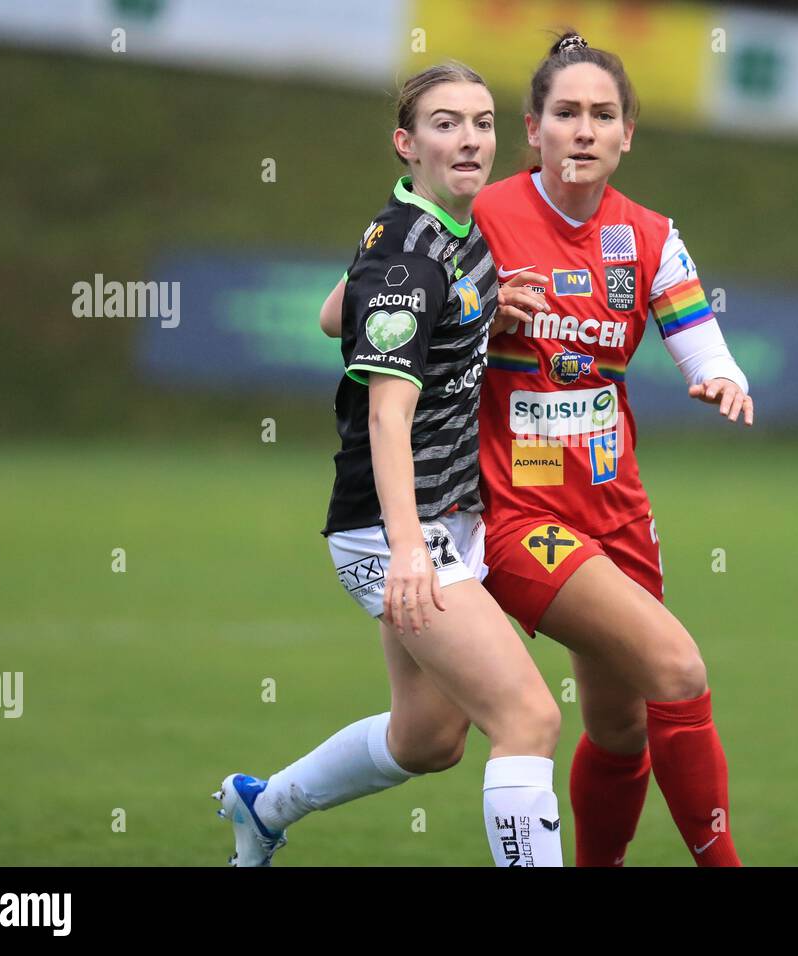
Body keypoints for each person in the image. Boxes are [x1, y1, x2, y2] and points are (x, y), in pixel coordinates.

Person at [216, 62, 564, 867]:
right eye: (445, 123)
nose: (469, 137)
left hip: (437, 516)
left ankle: (262, 807)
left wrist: (474, 307)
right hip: (398, 527)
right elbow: (385, 411)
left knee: (429, 738)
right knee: (528, 718)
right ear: (406, 144)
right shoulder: (410, 259)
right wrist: (409, 545)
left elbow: (333, 312)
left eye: (481, 121)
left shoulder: (441, 227)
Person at [473, 32, 754, 867]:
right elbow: (409, 337)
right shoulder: (482, 217)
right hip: (518, 510)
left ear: (629, 131)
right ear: (534, 129)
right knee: (677, 667)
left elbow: (701, 340)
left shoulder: (651, 236)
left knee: (622, 726)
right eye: (567, 113)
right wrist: (482, 318)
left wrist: (720, 378)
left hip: (614, 505)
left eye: (603, 114)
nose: (584, 130)